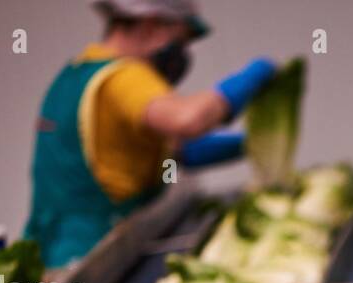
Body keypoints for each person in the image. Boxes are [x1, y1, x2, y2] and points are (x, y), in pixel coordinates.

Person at [24, 0, 277, 268]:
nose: (181, 53)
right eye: (179, 41)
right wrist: (251, 77)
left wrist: (250, 145)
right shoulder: (123, 76)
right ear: (151, 25)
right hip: (93, 257)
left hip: (53, 252)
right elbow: (187, 120)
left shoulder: (75, 74)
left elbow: (170, 151)